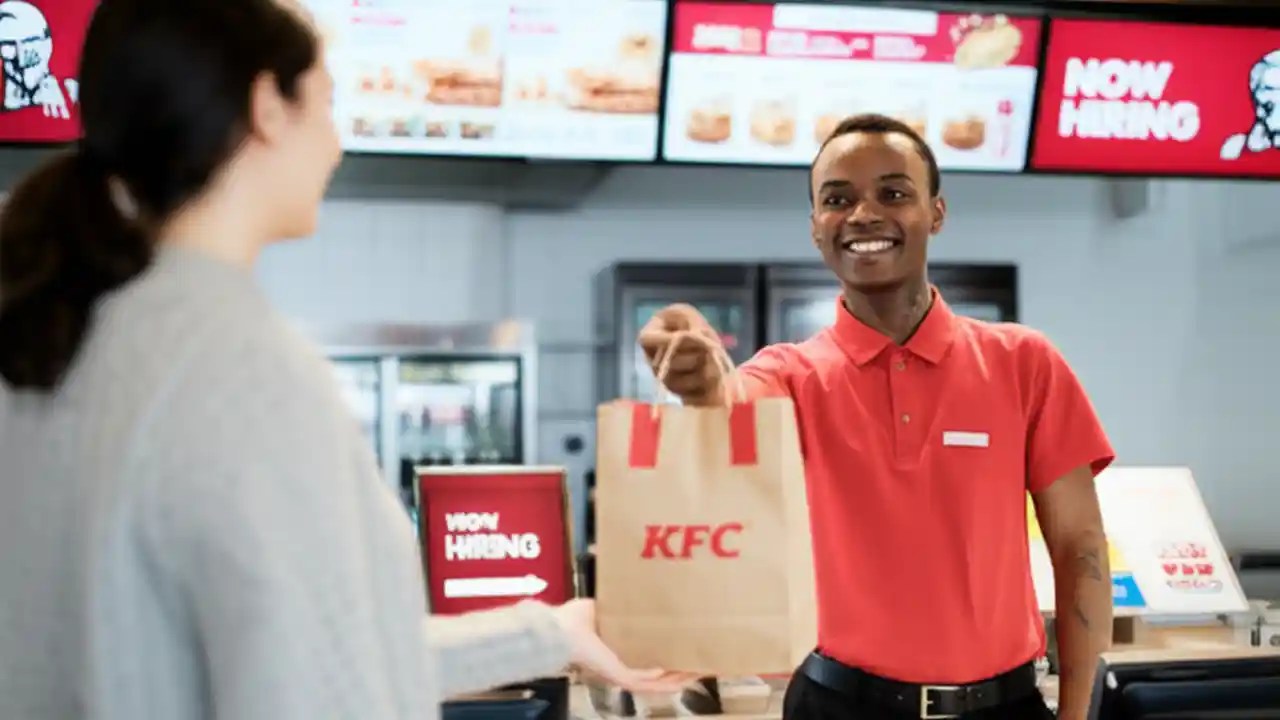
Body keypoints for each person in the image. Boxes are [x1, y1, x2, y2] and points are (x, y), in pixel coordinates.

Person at [0, 1, 688, 718]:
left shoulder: (57, 337)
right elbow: (324, 692)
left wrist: (548, 633)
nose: (336, 142)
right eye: (329, 102)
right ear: (268, 106)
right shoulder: (241, 369)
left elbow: (285, 648)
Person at [639, 114, 1115, 720]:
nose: (863, 214)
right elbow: (725, 411)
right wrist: (699, 380)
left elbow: (1079, 547)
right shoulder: (787, 376)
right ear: (816, 228)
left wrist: (1078, 712)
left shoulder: (1025, 363)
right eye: (837, 199)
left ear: (936, 213)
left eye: (893, 193)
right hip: (836, 705)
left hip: (1006, 706)